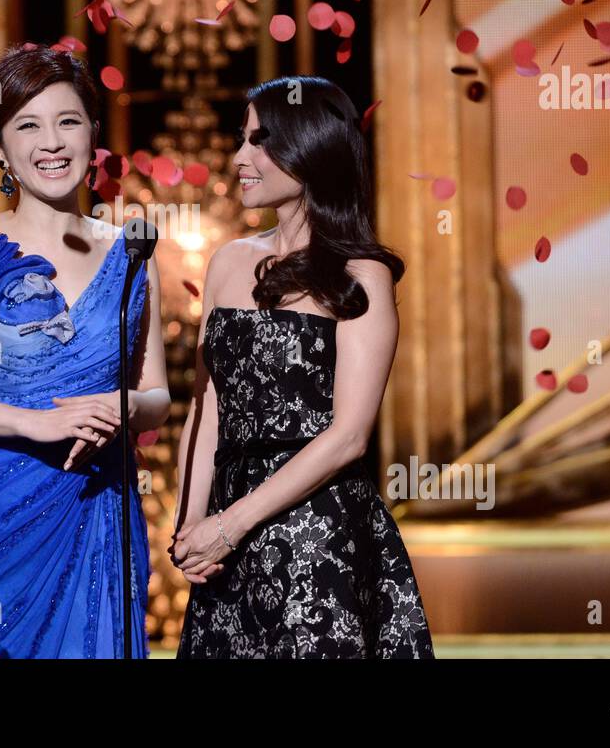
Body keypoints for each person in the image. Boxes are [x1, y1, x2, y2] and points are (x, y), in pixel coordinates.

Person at [0, 44, 170, 658]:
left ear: (93, 136)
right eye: (27, 125)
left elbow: (156, 396)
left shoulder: (131, 250)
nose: (51, 142)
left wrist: (118, 405)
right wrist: (42, 422)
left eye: (68, 121)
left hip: (99, 508)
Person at [171, 75, 435, 659]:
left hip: (318, 535)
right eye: (241, 140)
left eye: (258, 142)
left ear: (310, 150)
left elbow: (348, 437)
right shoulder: (227, 263)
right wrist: (190, 526)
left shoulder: (363, 275)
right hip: (225, 547)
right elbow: (206, 407)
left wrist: (230, 524)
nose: (239, 158)